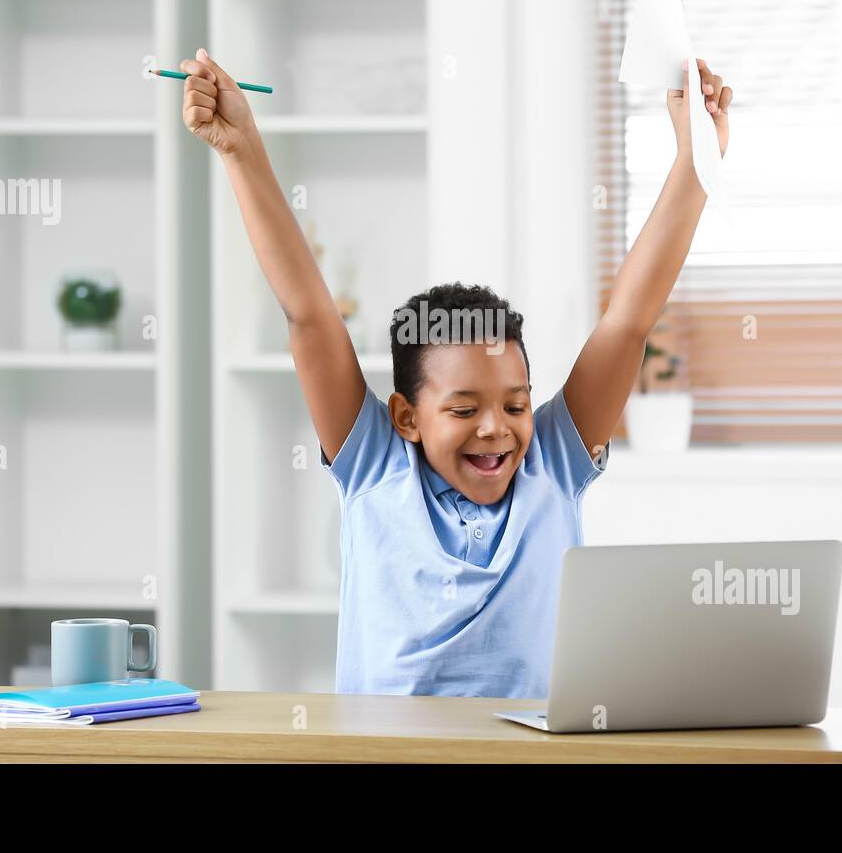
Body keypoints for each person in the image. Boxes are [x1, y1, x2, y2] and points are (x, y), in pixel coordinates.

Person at [179, 48, 732, 697]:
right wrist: (240, 148)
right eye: (465, 410)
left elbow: (628, 321)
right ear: (406, 417)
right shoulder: (374, 467)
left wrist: (697, 161)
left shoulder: (551, 465)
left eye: (516, 405)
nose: (496, 430)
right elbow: (308, 316)